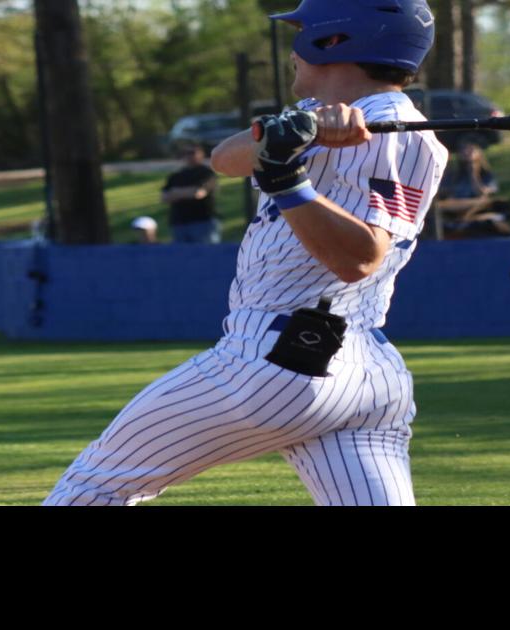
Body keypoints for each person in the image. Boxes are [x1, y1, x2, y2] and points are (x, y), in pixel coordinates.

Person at [43, 0, 448, 506]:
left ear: (334, 42)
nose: (292, 52)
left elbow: (359, 258)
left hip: (275, 358)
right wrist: (280, 136)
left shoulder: (393, 130)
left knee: (96, 485)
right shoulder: (318, 115)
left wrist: (285, 179)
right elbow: (223, 160)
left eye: (302, 33)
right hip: (361, 375)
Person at [161, 144, 221, 244]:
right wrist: (187, 192)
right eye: (185, 153)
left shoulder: (206, 173)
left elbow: (198, 193)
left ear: (201, 154)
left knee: (206, 256)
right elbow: (164, 197)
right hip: (179, 224)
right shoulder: (175, 176)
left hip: (203, 223)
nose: (189, 156)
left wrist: (175, 192)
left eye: (192, 152)